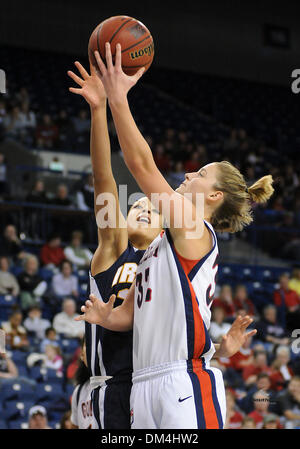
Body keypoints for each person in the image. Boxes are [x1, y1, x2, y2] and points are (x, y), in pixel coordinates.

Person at [75, 44, 269, 429]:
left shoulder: (195, 227)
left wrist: (117, 98)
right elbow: (133, 315)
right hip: (145, 386)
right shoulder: (157, 249)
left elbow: (141, 164)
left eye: (198, 175)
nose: (187, 175)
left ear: (214, 196)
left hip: (181, 380)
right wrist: (105, 317)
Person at [67, 58, 163, 430]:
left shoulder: (166, 262)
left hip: (148, 388)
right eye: (135, 204)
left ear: (161, 231)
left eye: (151, 209)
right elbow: (103, 178)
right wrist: (98, 110)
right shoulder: (113, 251)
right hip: (110, 389)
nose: (141, 207)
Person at [70, 338, 94, 429]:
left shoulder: (117, 384)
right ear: (82, 355)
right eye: (88, 344)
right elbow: (74, 426)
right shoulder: (79, 391)